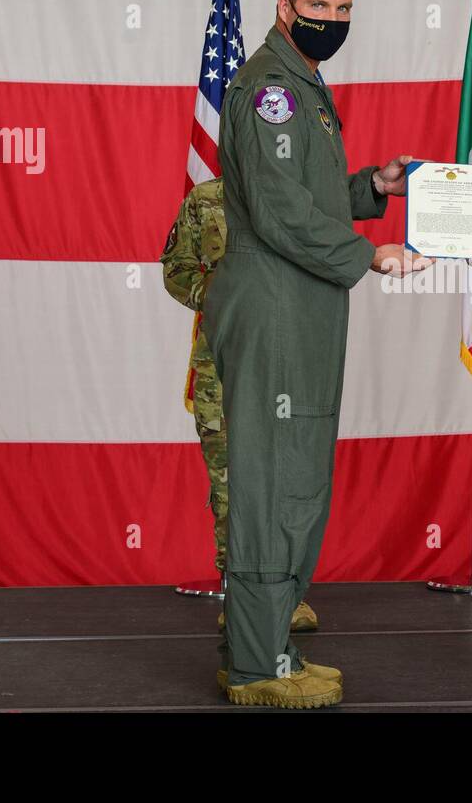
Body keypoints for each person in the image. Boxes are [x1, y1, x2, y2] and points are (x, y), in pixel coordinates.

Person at [201, 0, 425, 709]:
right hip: (274, 311)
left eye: (343, 11)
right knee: (272, 479)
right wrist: (372, 256)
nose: (331, 21)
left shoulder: (303, 83)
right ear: (284, 5)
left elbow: (308, 191)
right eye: (319, 8)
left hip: (303, 309)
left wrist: (375, 186)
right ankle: (262, 665)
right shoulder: (270, 87)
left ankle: (260, 645)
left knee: (294, 471)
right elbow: (279, 210)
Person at [159, 178, 319, 635]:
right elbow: (177, 266)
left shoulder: (297, 194)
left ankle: (286, 594)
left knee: (288, 477)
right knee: (230, 482)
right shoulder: (205, 198)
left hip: (290, 361)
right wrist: (218, 296)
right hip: (221, 364)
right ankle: (242, 600)